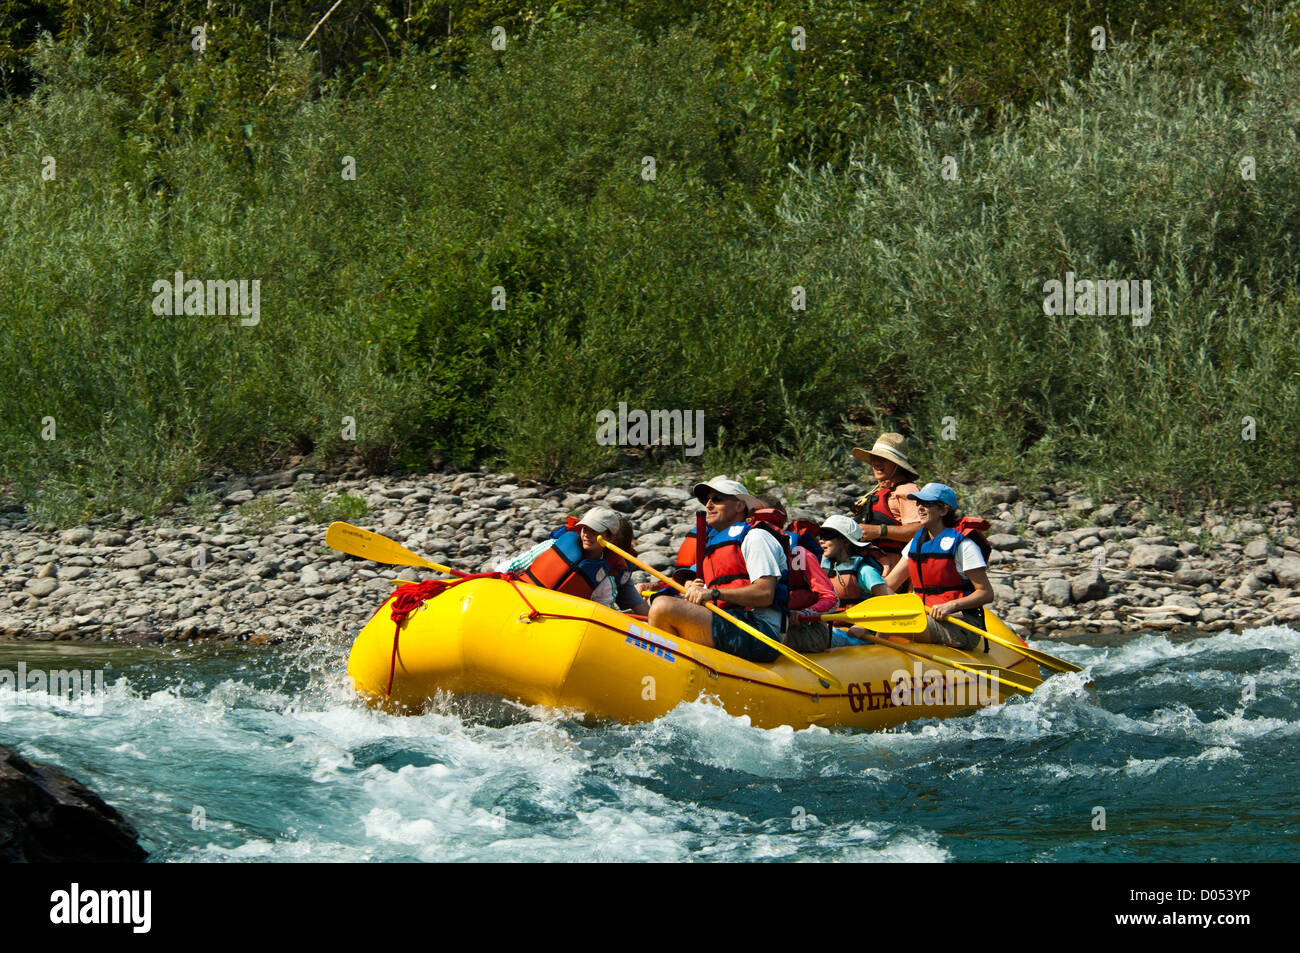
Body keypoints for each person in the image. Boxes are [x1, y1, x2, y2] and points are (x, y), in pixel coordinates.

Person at [647, 477, 789, 662]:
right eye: (707, 500)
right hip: (732, 618)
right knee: (657, 602)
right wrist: (692, 585)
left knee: (663, 608)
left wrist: (712, 594)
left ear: (739, 506)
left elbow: (765, 593)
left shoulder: (756, 538)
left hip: (761, 630)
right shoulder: (715, 546)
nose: (709, 505)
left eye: (717, 499)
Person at [873, 483, 994, 650]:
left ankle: (879, 659)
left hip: (960, 623)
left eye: (927, 504)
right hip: (924, 616)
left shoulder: (963, 545)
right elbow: (888, 585)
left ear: (944, 510)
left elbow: (986, 593)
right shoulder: (916, 543)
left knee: (888, 625)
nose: (920, 508)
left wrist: (951, 605)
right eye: (918, 503)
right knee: (880, 621)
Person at [498, 506, 645, 612]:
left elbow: (603, 613)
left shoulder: (606, 579)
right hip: (520, 601)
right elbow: (512, 565)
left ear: (610, 538)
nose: (587, 534)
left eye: (594, 531)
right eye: (585, 529)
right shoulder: (551, 546)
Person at [750, 495, 836, 653]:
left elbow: (831, 598)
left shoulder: (800, 555)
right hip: (758, 623)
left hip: (805, 629)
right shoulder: (746, 549)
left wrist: (805, 613)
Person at [850, 432, 925, 574]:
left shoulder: (907, 490)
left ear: (897, 464)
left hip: (892, 572)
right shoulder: (877, 492)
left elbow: (921, 531)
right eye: (874, 458)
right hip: (868, 564)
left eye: (884, 459)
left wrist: (879, 531)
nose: (876, 463)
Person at [817, 515, 891, 604]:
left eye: (827, 536)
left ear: (846, 541)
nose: (821, 541)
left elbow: (891, 599)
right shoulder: (823, 568)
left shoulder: (865, 571)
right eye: (821, 536)